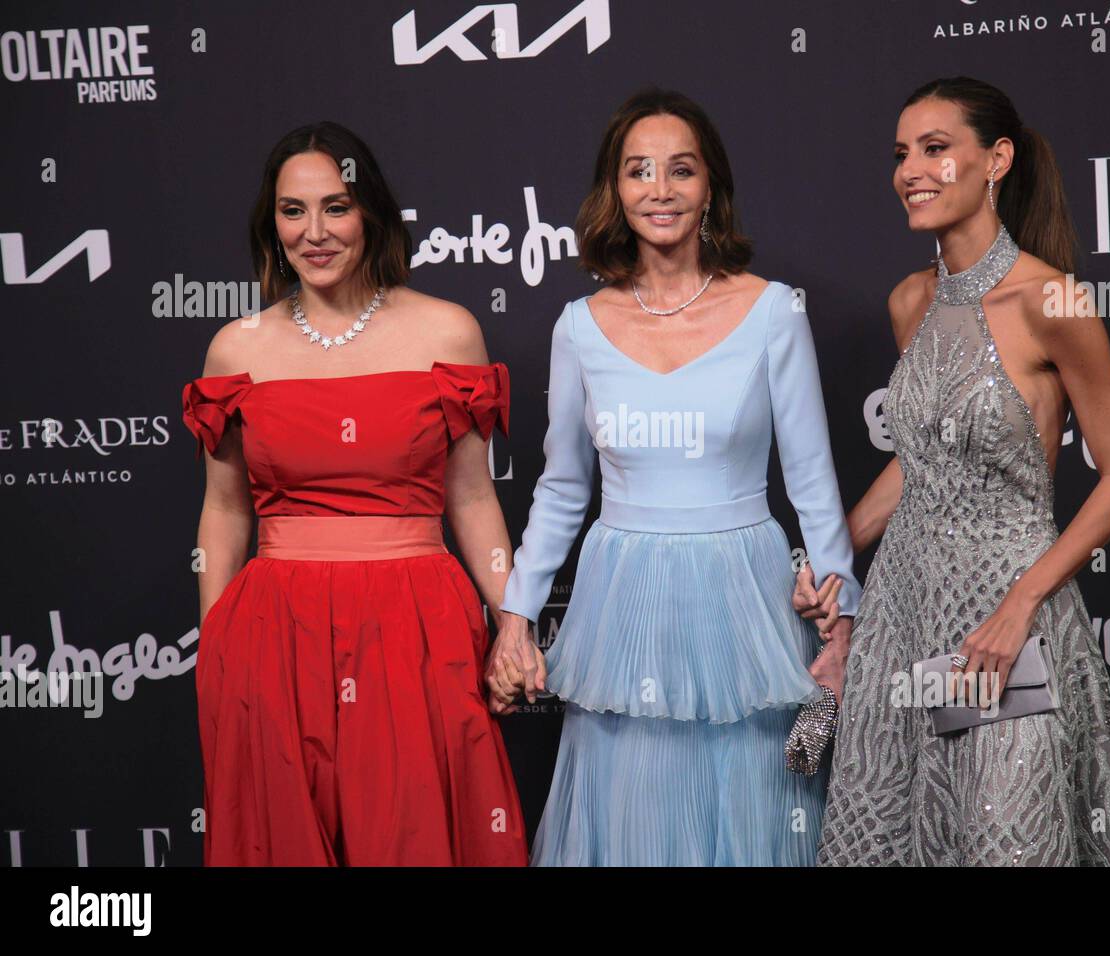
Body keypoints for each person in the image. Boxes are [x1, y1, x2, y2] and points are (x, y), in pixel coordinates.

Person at [486, 88, 859, 865]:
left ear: (710, 187)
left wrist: (840, 615)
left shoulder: (773, 312)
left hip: (744, 598)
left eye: (680, 170)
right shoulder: (580, 327)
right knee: (632, 814)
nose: (660, 188)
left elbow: (813, 480)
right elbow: (561, 489)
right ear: (613, 192)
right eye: (639, 171)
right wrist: (515, 615)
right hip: (624, 602)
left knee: (751, 810)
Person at [813, 77, 1110, 866]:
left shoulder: (1051, 301)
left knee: (1003, 838)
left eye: (937, 149)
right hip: (905, 610)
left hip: (1000, 621)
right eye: (903, 154)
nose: (912, 170)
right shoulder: (909, 302)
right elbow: (926, 459)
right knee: (905, 836)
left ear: (996, 159)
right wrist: (832, 555)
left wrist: (1021, 602)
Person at [182, 121, 526, 866]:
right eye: (292, 211)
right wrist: (218, 646)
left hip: (415, 626)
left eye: (335, 207)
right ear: (270, 224)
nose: (315, 232)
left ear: (369, 211)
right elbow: (225, 508)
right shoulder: (237, 347)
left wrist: (511, 623)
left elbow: (471, 499)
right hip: (275, 635)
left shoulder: (448, 332)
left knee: (411, 838)